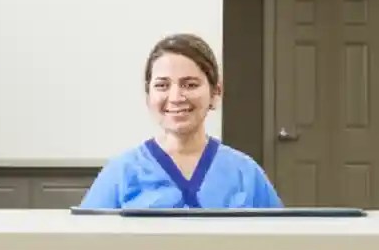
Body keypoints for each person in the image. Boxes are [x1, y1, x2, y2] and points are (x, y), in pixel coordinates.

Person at [79, 33, 283, 209]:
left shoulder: (246, 174)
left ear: (215, 92)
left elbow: (281, 245)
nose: (176, 97)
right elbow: (85, 246)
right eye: (162, 85)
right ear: (148, 94)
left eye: (190, 84)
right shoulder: (122, 173)